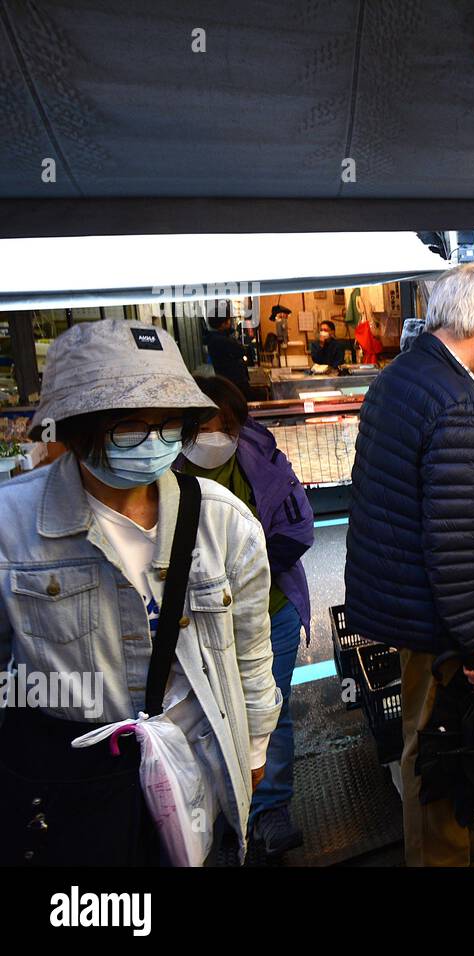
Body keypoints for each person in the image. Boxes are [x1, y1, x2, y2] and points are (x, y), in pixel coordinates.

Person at [0, 320, 279, 865]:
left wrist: (253, 747)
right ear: (78, 427)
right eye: (129, 426)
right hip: (71, 787)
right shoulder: (13, 527)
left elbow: (251, 648)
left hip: (198, 770)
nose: (154, 442)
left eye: (169, 424)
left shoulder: (222, 523)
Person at [345, 263, 474, 866]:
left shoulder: (401, 377)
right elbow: (453, 544)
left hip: (406, 598)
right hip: (438, 613)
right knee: (439, 741)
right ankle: (438, 856)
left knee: (429, 737)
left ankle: (453, 838)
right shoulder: (454, 402)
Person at [178, 374, 315, 860]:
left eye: (228, 423)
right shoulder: (161, 473)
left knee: (270, 709)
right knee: (203, 718)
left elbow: (300, 527)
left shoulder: (260, 456)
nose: (218, 435)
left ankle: (270, 810)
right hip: (192, 621)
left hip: (270, 607)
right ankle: (212, 816)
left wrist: (248, 565)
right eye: (205, 424)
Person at [205, 314, 252, 398]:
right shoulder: (222, 340)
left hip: (226, 380)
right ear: (223, 323)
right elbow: (241, 350)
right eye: (229, 320)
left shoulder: (213, 338)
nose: (230, 323)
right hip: (234, 382)